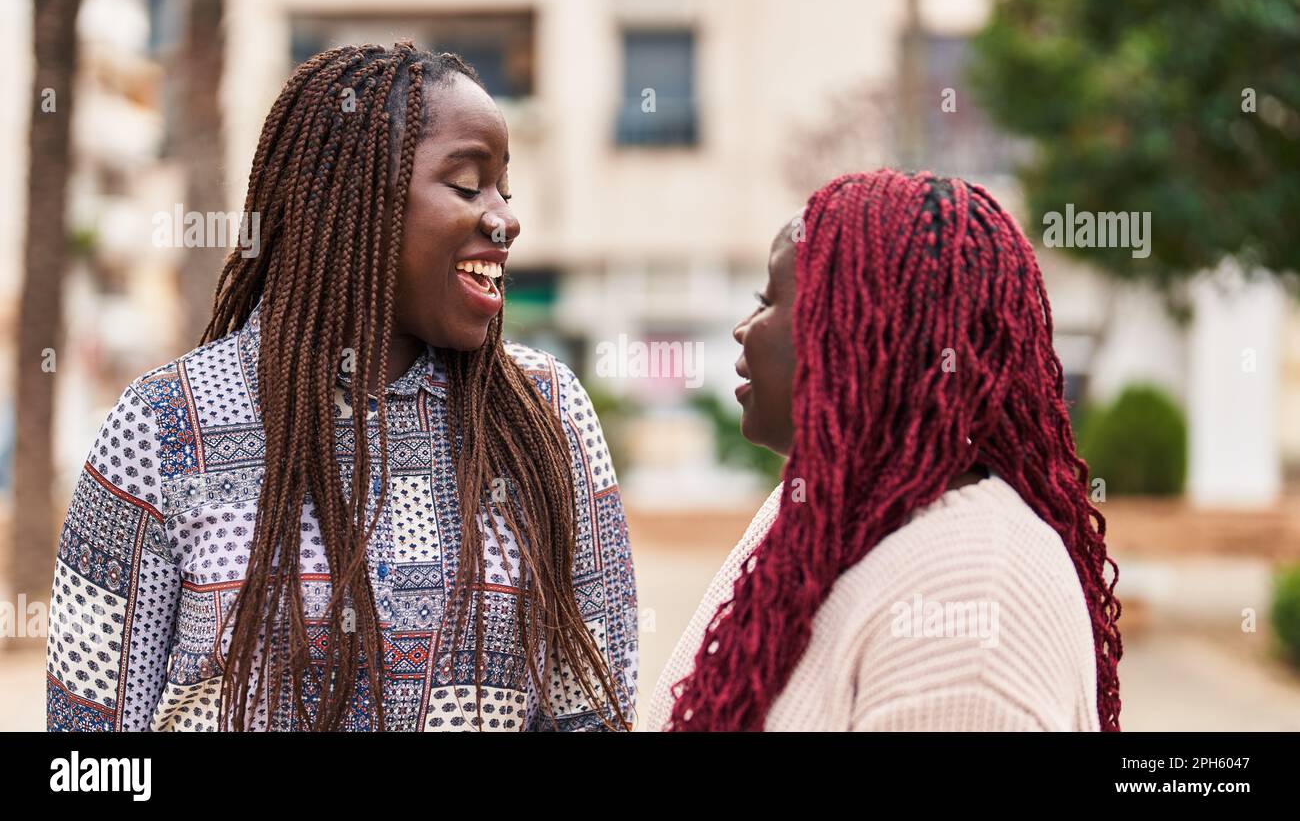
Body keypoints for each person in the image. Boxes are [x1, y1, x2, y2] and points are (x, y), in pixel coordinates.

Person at [45, 42, 637, 732]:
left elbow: (595, 715)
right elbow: (85, 747)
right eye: (468, 184)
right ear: (355, 201)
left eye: (505, 187)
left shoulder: (544, 414)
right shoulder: (164, 425)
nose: (504, 217)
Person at [647, 169, 1122, 731]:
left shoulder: (972, 598)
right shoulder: (818, 510)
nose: (743, 328)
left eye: (770, 299)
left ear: (871, 332)